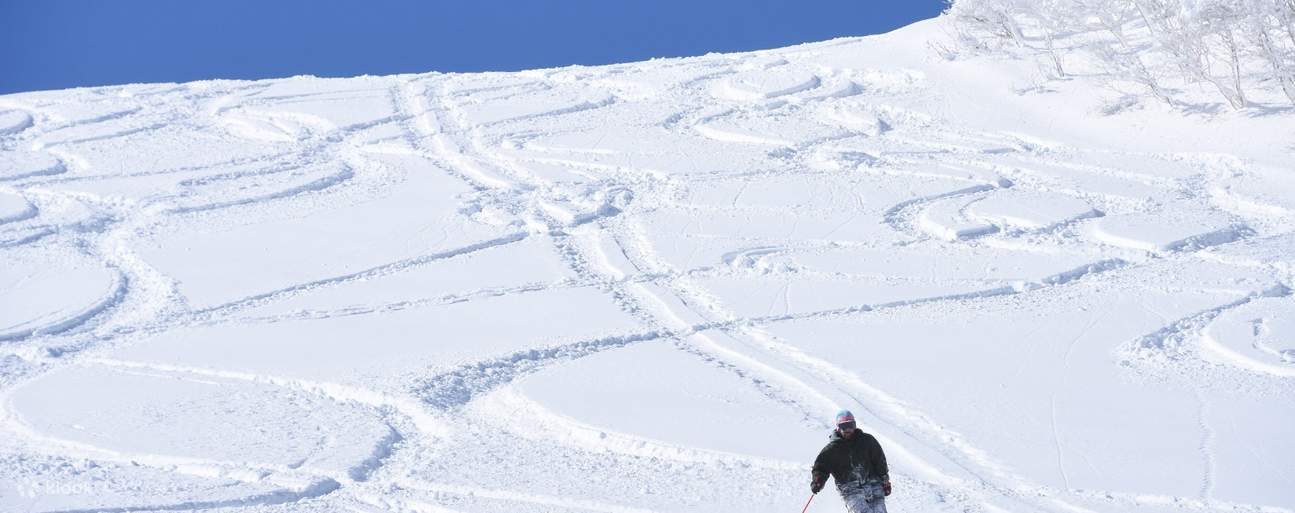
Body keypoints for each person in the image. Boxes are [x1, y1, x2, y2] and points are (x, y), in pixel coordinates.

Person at [810, 410, 891, 513]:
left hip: (873, 483)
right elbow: (821, 467)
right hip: (850, 488)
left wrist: (885, 480)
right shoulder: (832, 449)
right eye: (844, 426)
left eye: (851, 425)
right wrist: (818, 481)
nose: (848, 429)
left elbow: (879, 460)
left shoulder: (866, 440)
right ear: (838, 428)